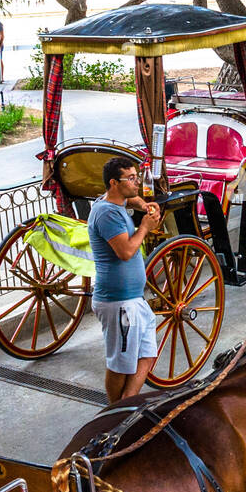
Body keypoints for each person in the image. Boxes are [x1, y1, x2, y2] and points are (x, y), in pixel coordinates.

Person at [88, 157, 162, 403]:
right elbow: (126, 252)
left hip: (133, 300)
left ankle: (127, 402)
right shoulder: (107, 214)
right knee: (120, 364)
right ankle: (113, 411)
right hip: (118, 303)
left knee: (147, 352)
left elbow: (129, 198)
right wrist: (144, 227)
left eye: (136, 176)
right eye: (130, 179)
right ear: (113, 183)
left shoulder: (113, 202)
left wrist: (143, 204)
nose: (136, 181)